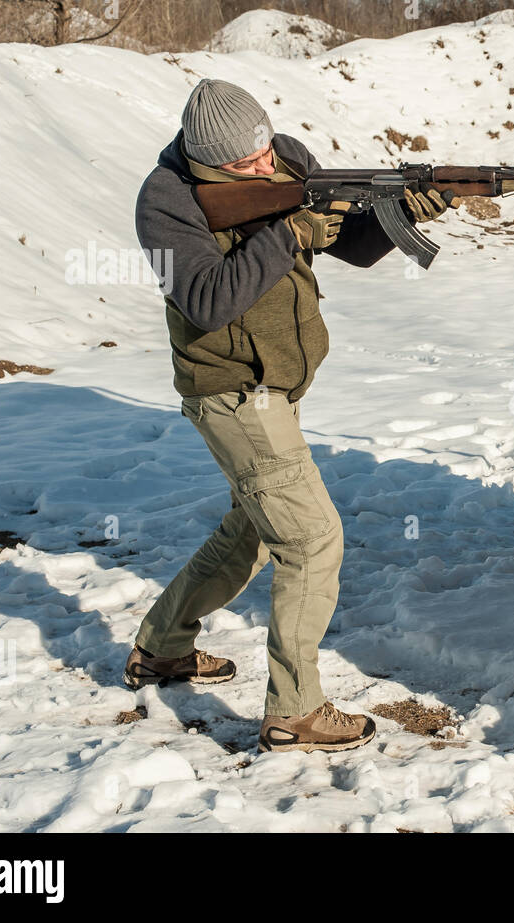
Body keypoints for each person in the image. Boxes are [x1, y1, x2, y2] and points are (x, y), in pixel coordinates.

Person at [123, 78, 451, 753]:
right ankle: (295, 711)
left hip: (277, 385)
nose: (267, 168)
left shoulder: (286, 159)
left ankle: (161, 648)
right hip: (230, 391)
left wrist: (410, 210)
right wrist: (285, 233)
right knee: (312, 539)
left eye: (267, 151)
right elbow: (208, 301)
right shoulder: (165, 204)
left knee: (255, 533)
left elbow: (352, 245)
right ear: (208, 163)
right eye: (247, 167)